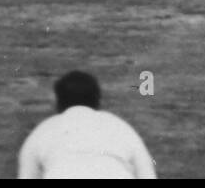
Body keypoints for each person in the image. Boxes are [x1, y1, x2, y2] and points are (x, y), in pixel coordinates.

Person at [17, 71, 157, 179]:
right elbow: (146, 173)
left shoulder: (42, 131)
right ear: (98, 100)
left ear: (58, 102)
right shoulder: (120, 127)